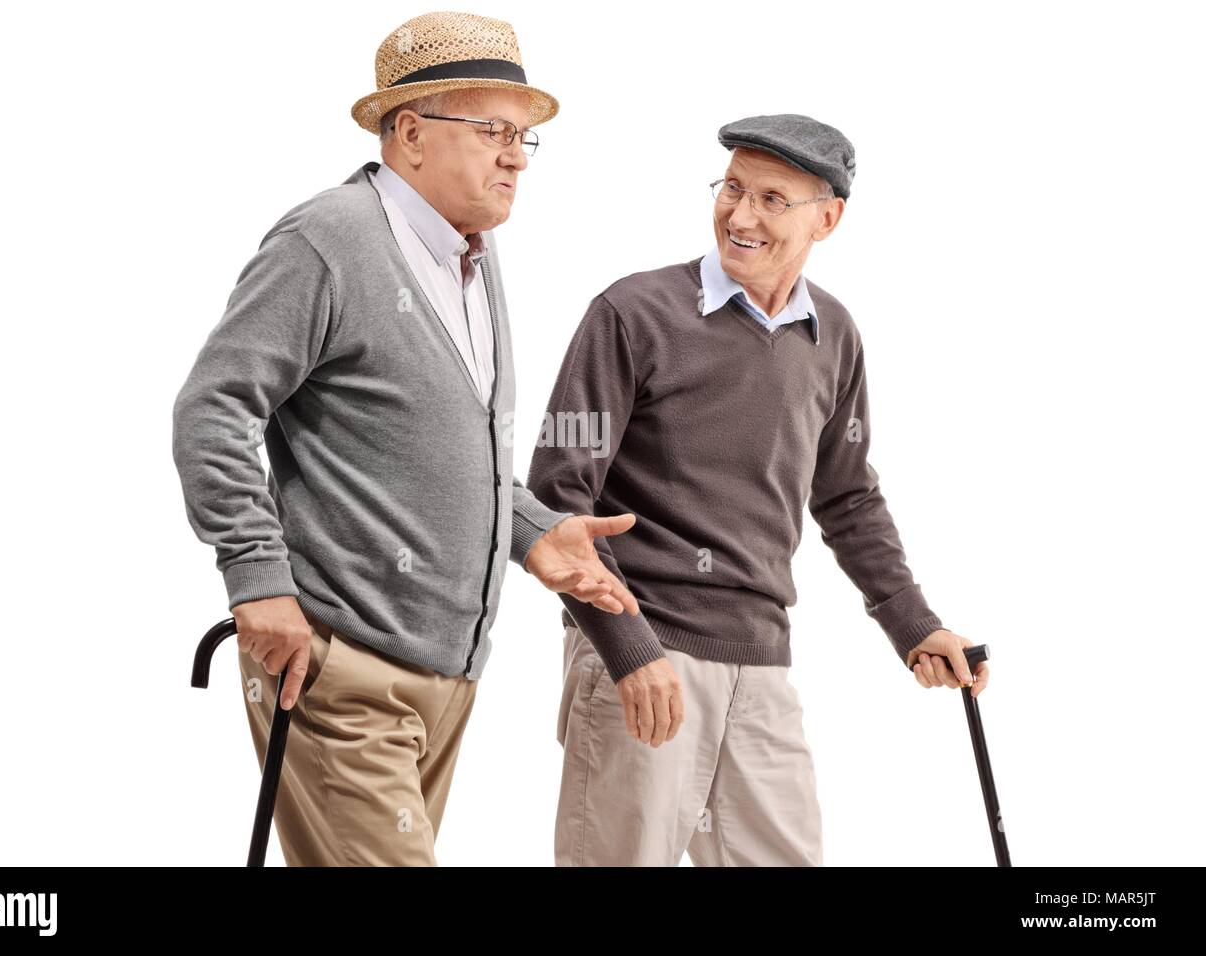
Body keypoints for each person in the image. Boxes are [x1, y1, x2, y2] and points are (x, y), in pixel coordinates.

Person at [171, 11, 640, 866]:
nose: (515, 156)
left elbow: (447, 448)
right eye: (494, 130)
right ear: (412, 133)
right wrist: (257, 578)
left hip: (448, 678)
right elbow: (214, 406)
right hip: (338, 665)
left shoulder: (472, 251)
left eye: (526, 138)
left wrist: (532, 535)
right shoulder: (330, 241)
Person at [527, 113, 989, 867]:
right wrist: (627, 645)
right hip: (643, 649)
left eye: (772, 199)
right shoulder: (631, 314)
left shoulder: (832, 334)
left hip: (763, 662)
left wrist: (913, 624)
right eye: (732, 189)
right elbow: (557, 493)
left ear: (828, 218)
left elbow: (846, 495)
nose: (740, 216)